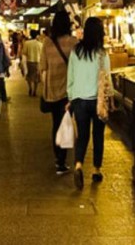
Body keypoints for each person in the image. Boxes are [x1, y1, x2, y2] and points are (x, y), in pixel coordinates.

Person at [67, 16, 110, 189]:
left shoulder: (75, 51)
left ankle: (78, 165)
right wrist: (111, 96)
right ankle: (96, 170)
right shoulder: (102, 53)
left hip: (79, 101)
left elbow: (71, 76)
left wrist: (70, 97)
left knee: (82, 136)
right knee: (98, 136)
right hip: (98, 101)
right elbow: (107, 78)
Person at [39, 11, 77, 175]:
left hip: (52, 91)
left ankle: (59, 160)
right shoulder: (74, 43)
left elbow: (42, 68)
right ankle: (62, 160)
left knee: (56, 124)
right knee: (66, 124)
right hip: (69, 91)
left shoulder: (47, 43)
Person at [22, 29, 43, 96]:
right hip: (37, 62)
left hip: (29, 62)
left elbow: (24, 53)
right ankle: (35, 90)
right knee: (36, 77)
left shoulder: (27, 43)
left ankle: (30, 88)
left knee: (29, 76)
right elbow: (42, 54)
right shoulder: (40, 44)